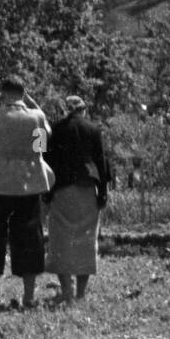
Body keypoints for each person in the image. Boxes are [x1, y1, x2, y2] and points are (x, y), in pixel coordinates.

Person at [0, 75, 54, 311]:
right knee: (29, 239)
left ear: (3, 92)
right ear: (23, 92)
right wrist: (33, 104)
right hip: (28, 185)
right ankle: (28, 297)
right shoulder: (36, 117)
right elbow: (41, 148)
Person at [45, 95, 111, 305]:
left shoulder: (53, 130)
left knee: (60, 240)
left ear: (65, 110)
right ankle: (81, 294)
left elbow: (46, 159)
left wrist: (46, 192)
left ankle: (66, 290)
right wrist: (103, 192)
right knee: (85, 240)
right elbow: (102, 162)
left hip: (61, 190)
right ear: (83, 110)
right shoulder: (93, 129)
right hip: (86, 189)